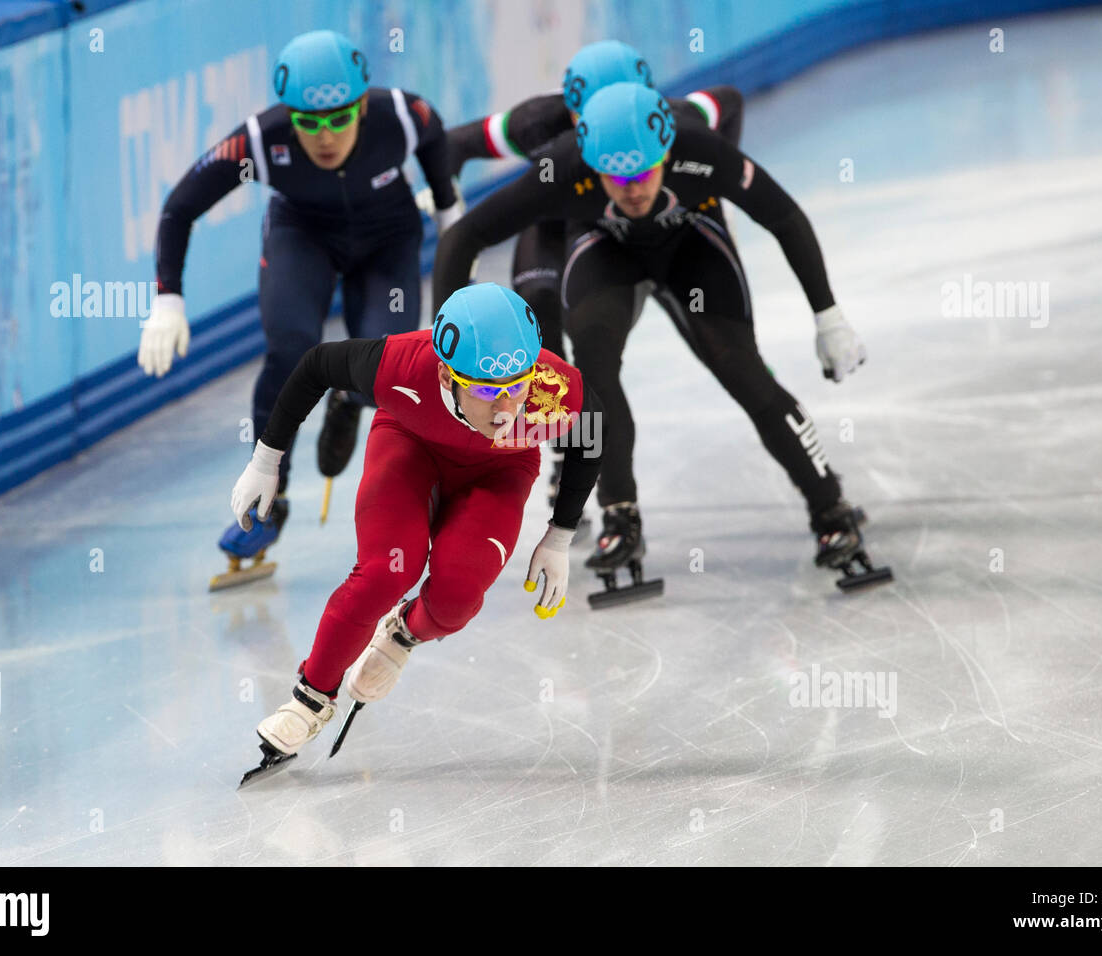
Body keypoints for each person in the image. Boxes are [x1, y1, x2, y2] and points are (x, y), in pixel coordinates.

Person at [434, 83, 886, 600]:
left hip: (691, 246)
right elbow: (462, 237)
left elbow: (783, 216)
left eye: (644, 172)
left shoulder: (699, 147)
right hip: (608, 252)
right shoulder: (563, 165)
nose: (632, 190)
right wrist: (438, 349)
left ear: (666, 152)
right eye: (617, 177)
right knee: (593, 375)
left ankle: (829, 506)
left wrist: (828, 316)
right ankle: (620, 515)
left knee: (741, 369)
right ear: (592, 163)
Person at [229, 283, 606, 778]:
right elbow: (316, 366)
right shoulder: (401, 365)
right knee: (386, 572)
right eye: (487, 391)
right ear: (447, 375)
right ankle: (311, 698)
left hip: (500, 470)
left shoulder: (553, 387)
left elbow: (593, 432)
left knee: (458, 597)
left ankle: (402, 634)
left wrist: (559, 534)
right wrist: (266, 460)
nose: (506, 409)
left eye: (517, 387)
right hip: (410, 443)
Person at [136, 29, 463, 589]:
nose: (325, 136)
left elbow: (435, 141)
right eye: (308, 122)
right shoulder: (261, 140)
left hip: (387, 239)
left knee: (383, 367)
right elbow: (179, 207)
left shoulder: (403, 114)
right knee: (290, 349)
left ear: (362, 106)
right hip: (303, 235)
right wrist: (168, 297)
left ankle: (350, 399)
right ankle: (269, 499)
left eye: (339, 118)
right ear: (290, 115)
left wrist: (450, 211)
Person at [432, 39, 743, 509]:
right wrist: (449, 214)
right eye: (591, 119)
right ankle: (566, 449)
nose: (609, 126)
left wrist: (715, 197)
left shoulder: (669, 118)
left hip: (630, 227)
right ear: (569, 109)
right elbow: (454, 145)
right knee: (541, 319)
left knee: (701, 335)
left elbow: (730, 103)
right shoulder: (538, 121)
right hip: (555, 229)